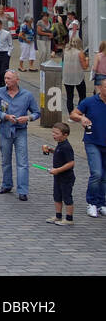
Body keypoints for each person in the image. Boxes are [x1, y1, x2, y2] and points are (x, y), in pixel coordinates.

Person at [0, 69, 40, 200]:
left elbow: (37, 113)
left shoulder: (27, 95)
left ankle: (23, 190)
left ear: (17, 80)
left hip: (20, 130)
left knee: (22, 161)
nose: (6, 81)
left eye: (9, 78)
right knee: (5, 160)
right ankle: (7, 184)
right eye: (5, 78)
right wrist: (6, 116)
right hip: (5, 130)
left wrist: (28, 118)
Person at [70, 77, 106, 217]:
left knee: (104, 175)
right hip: (92, 141)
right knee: (96, 173)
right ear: (100, 88)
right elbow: (73, 114)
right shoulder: (89, 102)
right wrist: (81, 118)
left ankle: (101, 203)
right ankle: (91, 203)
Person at [41, 122, 75, 226]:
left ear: (65, 135)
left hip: (66, 177)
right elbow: (59, 153)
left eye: (56, 133)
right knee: (57, 196)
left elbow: (71, 163)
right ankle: (58, 216)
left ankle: (69, 219)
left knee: (66, 197)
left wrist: (58, 170)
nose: (53, 135)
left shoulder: (66, 147)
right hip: (58, 177)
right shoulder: (60, 145)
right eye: (53, 132)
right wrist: (52, 150)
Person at [63, 37, 89, 113]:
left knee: (69, 97)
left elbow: (62, 63)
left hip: (67, 76)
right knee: (82, 96)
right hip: (78, 77)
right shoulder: (80, 53)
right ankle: (78, 112)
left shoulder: (65, 51)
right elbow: (84, 67)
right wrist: (87, 60)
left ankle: (71, 114)